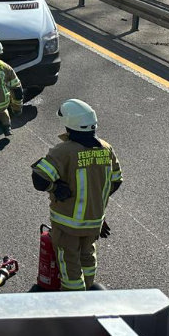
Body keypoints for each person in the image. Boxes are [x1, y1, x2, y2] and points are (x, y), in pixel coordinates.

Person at [31, 99, 122, 291]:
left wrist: (55, 188)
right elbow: (116, 180)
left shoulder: (63, 151)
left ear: (69, 124)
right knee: (87, 256)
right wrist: (97, 206)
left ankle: (73, 299)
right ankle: (88, 289)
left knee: (69, 263)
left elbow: (39, 179)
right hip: (94, 221)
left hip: (67, 224)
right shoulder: (106, 149)